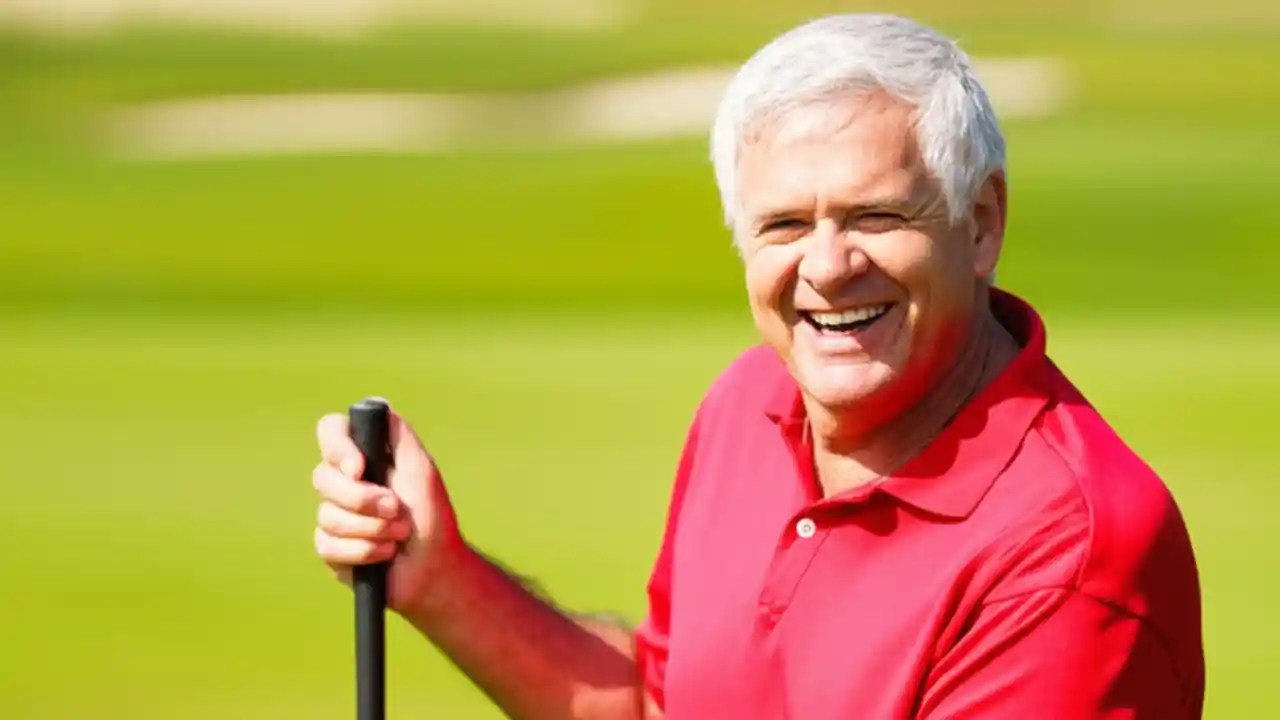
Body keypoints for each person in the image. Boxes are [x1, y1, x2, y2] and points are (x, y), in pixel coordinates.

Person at [310, 13, 1204, 719]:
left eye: (876, 216)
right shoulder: (750, 403)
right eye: (784, 226)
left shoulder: (1071, 552)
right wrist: (442, 579)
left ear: (981, 224)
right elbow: (660, 705)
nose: (826, 265)